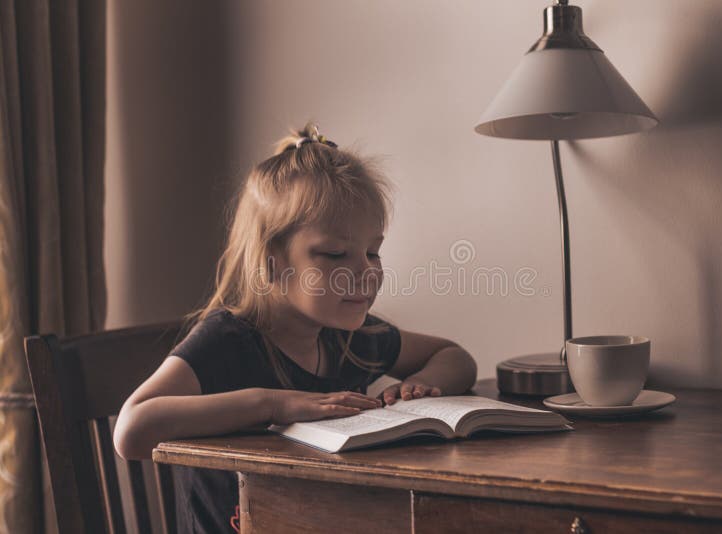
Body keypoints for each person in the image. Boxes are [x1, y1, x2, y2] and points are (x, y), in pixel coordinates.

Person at [113, 121, 478, 533]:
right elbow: (131, 430)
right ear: (272, 261)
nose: (364, 270)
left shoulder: (350, 339)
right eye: (336, 253)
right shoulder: (227, 341)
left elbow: (454, 357)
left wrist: (422, 385)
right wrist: (272, 404)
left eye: (373, 252)